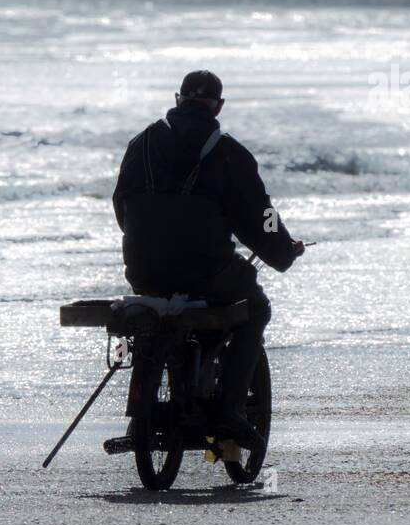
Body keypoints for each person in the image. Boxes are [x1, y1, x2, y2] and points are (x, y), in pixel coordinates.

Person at [112, 70, 302, 449]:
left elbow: (121, 205)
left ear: (179, 98)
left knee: (156, 318)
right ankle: (230, 408)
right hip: (207, 272)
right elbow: (260, 215)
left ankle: (141, 420)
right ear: (218, 106)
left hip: (145, 272)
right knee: (256, 308)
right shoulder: (229, 153)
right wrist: (284, 250)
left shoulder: (142, 143)